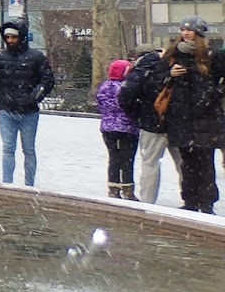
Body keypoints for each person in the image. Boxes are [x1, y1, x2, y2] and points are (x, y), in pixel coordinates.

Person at [130, 18, 225, 213]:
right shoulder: (174, 54)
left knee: (205, 163)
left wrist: (211, 94)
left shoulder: (211, 55)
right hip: (180, 118)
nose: (186, 33)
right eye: (183, 29)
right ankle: (189, 200)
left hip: (205, 118)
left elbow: (221, 82)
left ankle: (206, 203)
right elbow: (156, 81)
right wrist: (170, 74)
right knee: (187, 163)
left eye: (189, 30)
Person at [0, 19, 55, 186]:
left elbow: (47, 80)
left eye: (14, 37)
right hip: (7, 110)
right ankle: (7, 184)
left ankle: (29, 184)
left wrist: (34, 97)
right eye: (8, 37)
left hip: (28, 112)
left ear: (22, 37)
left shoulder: (36, 57)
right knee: (8, 149)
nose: (11, 40)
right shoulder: (0, 56)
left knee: (29, 150)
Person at [121, 44, 173, 203]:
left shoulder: (139, 72)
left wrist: (138, 115)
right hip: (176, 121)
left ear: (138, 56)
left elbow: (125, 98)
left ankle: (148, 201)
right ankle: (193, 200)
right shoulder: (168, 66)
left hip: (151, 123)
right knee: (183, 163)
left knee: (150, 163)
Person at [96, 59, 138, 200]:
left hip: (108, 128)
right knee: (127, 159)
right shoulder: (128, 87)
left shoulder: (105, 86)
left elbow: (100, 104)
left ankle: (113, 188)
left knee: (113, 157)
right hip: (127, 127)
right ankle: (127, 188)